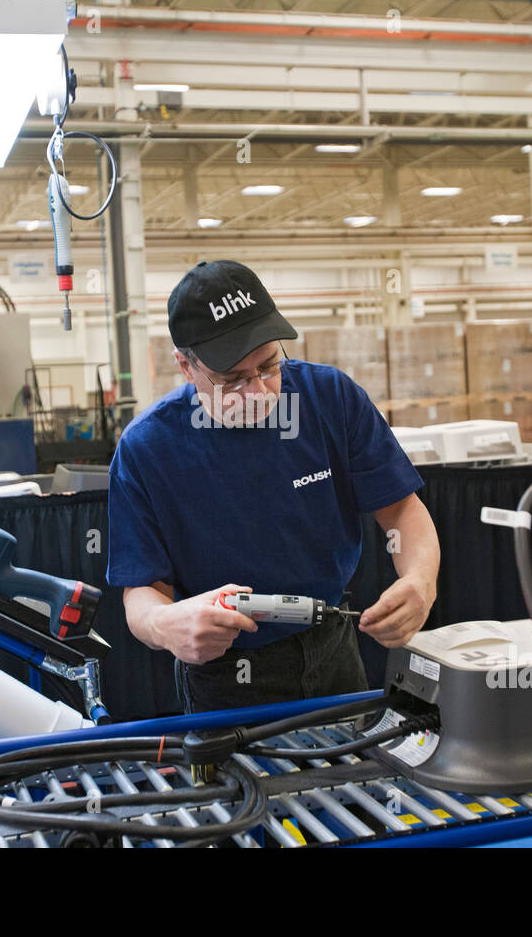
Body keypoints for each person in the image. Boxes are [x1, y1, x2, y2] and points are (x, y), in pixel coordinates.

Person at [107, 259, 440, 713]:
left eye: (268, 366)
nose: (260, 393)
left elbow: (401, 510)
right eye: (233, 380)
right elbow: (141, 593)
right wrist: (164, 624)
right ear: (186, 366)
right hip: (225, 672)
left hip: (332, 644)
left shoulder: (330, 398)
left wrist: (420, 579)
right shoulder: (148, 449)